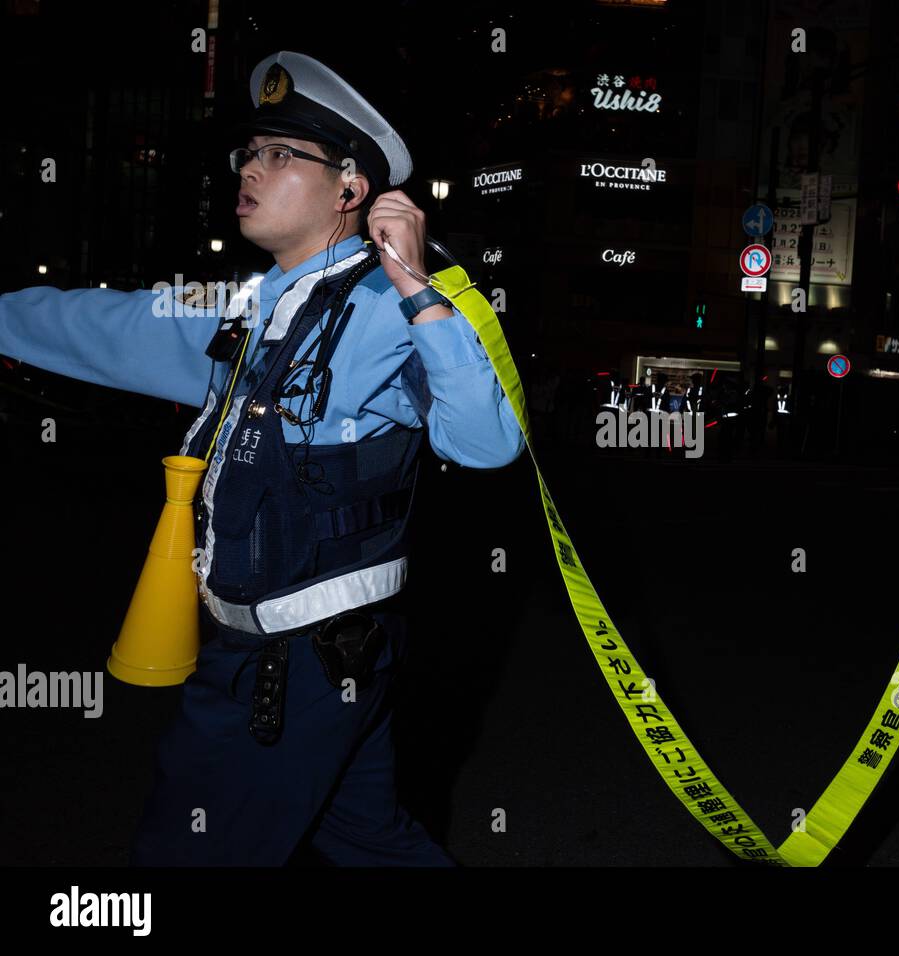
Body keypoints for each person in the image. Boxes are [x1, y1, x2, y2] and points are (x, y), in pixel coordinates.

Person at [0, 51, 525, 865]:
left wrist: (422, 287)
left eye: (283, 154)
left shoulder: (391, 303)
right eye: (250, 151)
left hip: (294, 664)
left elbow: (485, 444)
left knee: (186, 852)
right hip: (316, 654)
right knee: (369, 840)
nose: (251, 167)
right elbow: (94, 328)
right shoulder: (245, 305)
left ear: (352, 188)